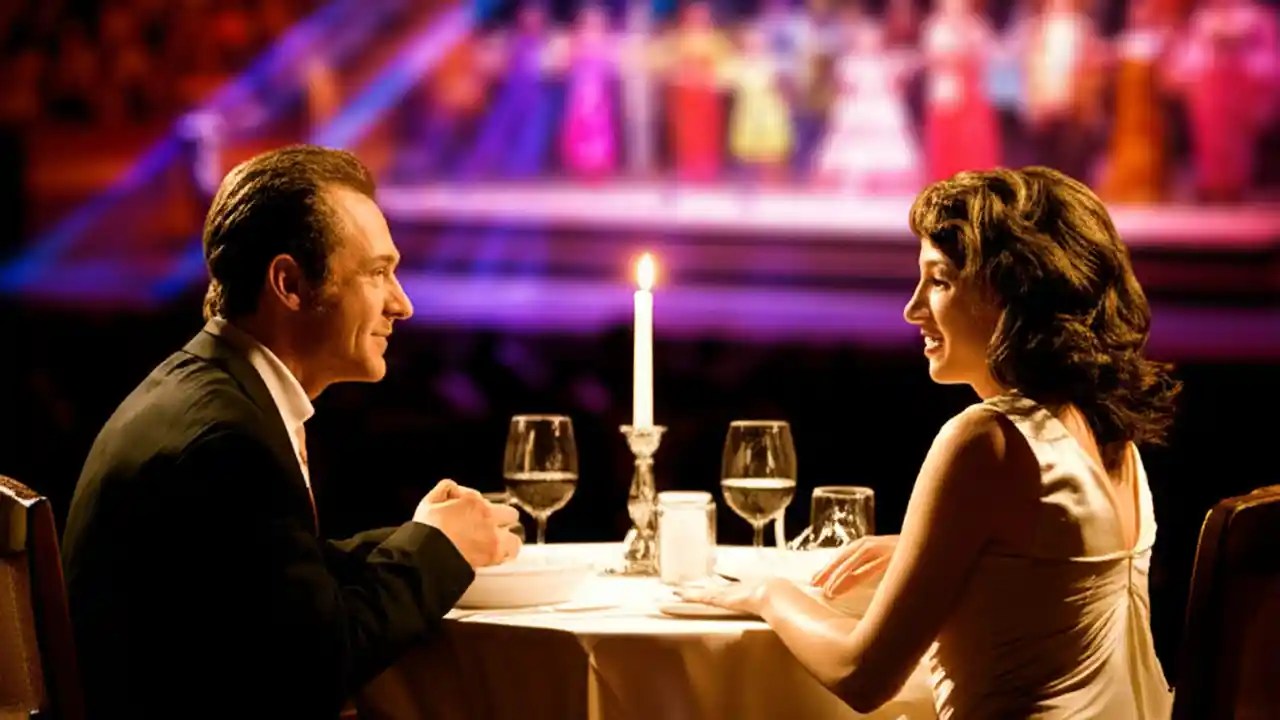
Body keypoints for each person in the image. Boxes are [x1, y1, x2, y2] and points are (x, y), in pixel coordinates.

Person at [682, 167, 1181, 718]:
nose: (913, 309)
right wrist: (926, 548)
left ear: (1015, 293)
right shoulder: (1109, 435)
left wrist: (766, 593)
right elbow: (1055, 575)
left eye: (939, 281)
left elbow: (860, 674)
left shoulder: (986, 439)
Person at [62, 145, 523, 719]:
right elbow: (315, 665)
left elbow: (271, 584)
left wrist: (425, 535)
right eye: (377, 273)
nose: (401, 304)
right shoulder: (227, 444)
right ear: (290, 283)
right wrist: (437, 551)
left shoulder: (209, 392)